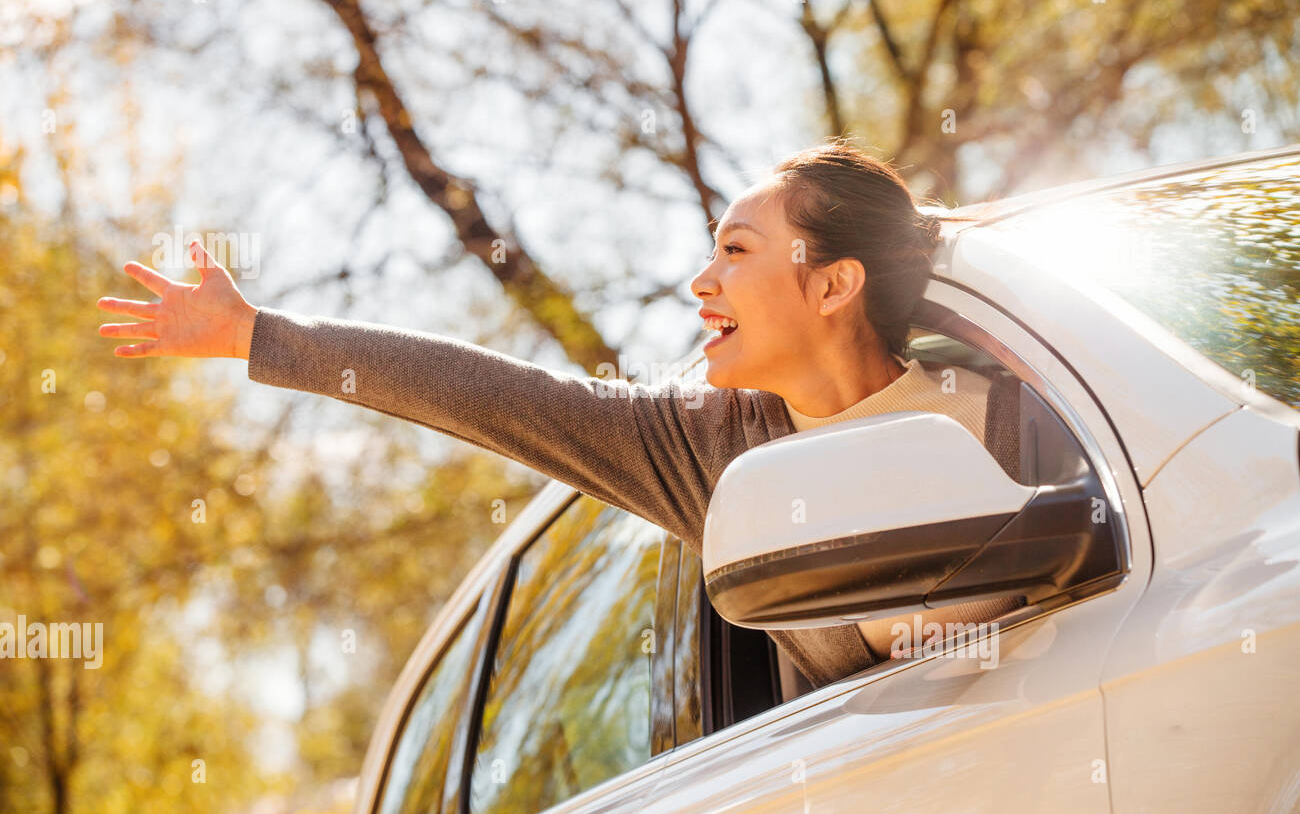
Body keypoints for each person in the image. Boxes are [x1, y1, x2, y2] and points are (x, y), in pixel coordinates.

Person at [97, 140, 1015, 687]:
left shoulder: (1016, 412)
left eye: (737, 250)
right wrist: (258, 335)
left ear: (835, 284)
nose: (702, 282)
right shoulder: (710, 451)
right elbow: (497, 398)